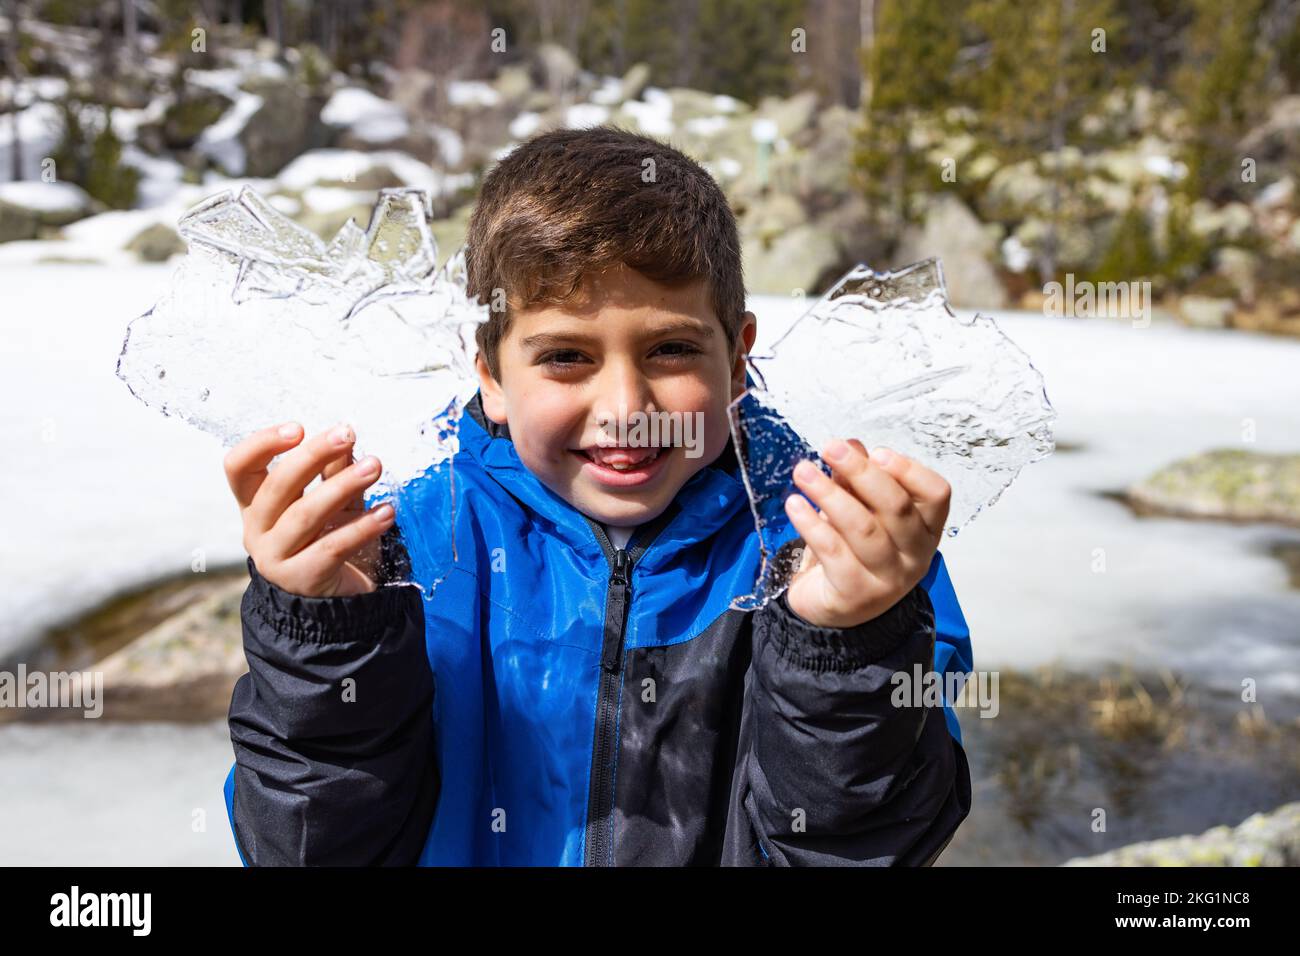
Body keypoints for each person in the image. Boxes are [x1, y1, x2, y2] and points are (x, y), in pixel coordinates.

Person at [221, 125, 973, 866]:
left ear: (738, 357)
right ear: (488, 373)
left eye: (671, 349)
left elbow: (861, 850)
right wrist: (324, 642)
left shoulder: (826, 553)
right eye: (566, 357)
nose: (625, 405)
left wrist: (845, 647)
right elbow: (310, 850)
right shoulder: (405, 545)